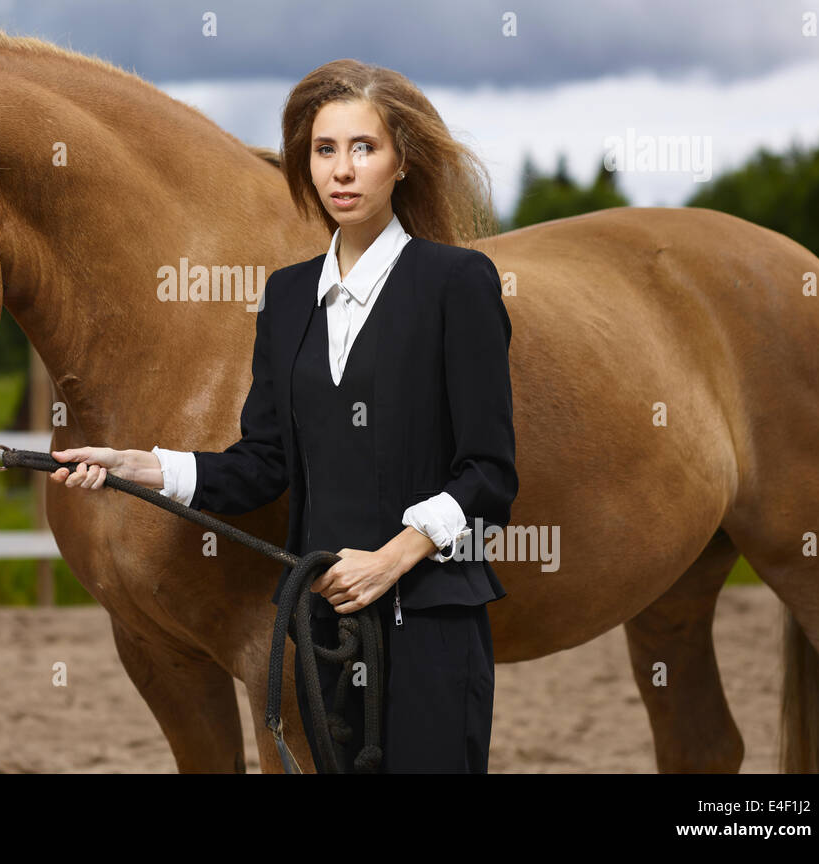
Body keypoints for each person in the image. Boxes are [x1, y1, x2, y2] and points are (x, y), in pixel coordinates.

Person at [48, 59, 518, 773]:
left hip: (428, 621)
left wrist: (391, 560)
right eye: (325, 151)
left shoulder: (456, 283)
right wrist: (137, 466)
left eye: (365, 148)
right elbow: (261, 465)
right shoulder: (288, 298)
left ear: (403, 162)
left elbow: (489, 475)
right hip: (320, 626)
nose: (343, 171)